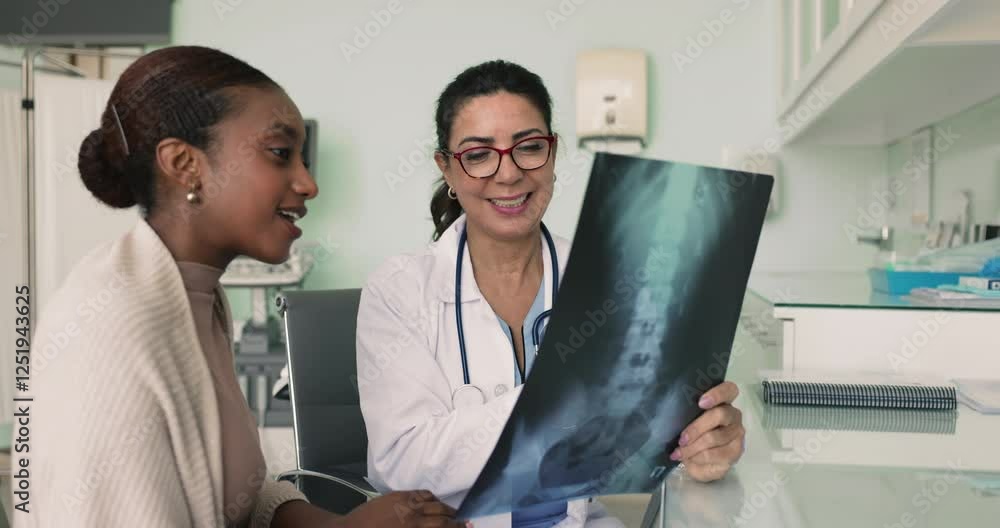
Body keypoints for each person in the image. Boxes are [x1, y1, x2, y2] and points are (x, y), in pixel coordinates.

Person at [29, 46, 466, 528]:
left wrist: (348, 526)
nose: (308, 183)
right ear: (184, 163)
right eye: (280, 154)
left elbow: (234, 490)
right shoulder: (111, 329)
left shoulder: (195, 298)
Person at [356, 60, 746, 528]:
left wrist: (702, 448)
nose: (509, 174)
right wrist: (562, 405)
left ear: (554, 153)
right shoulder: (400, 289)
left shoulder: (612, 281)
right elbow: (399, 461)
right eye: (478, 154)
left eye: (530, 147)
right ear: (448, 169)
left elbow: (641, 448)